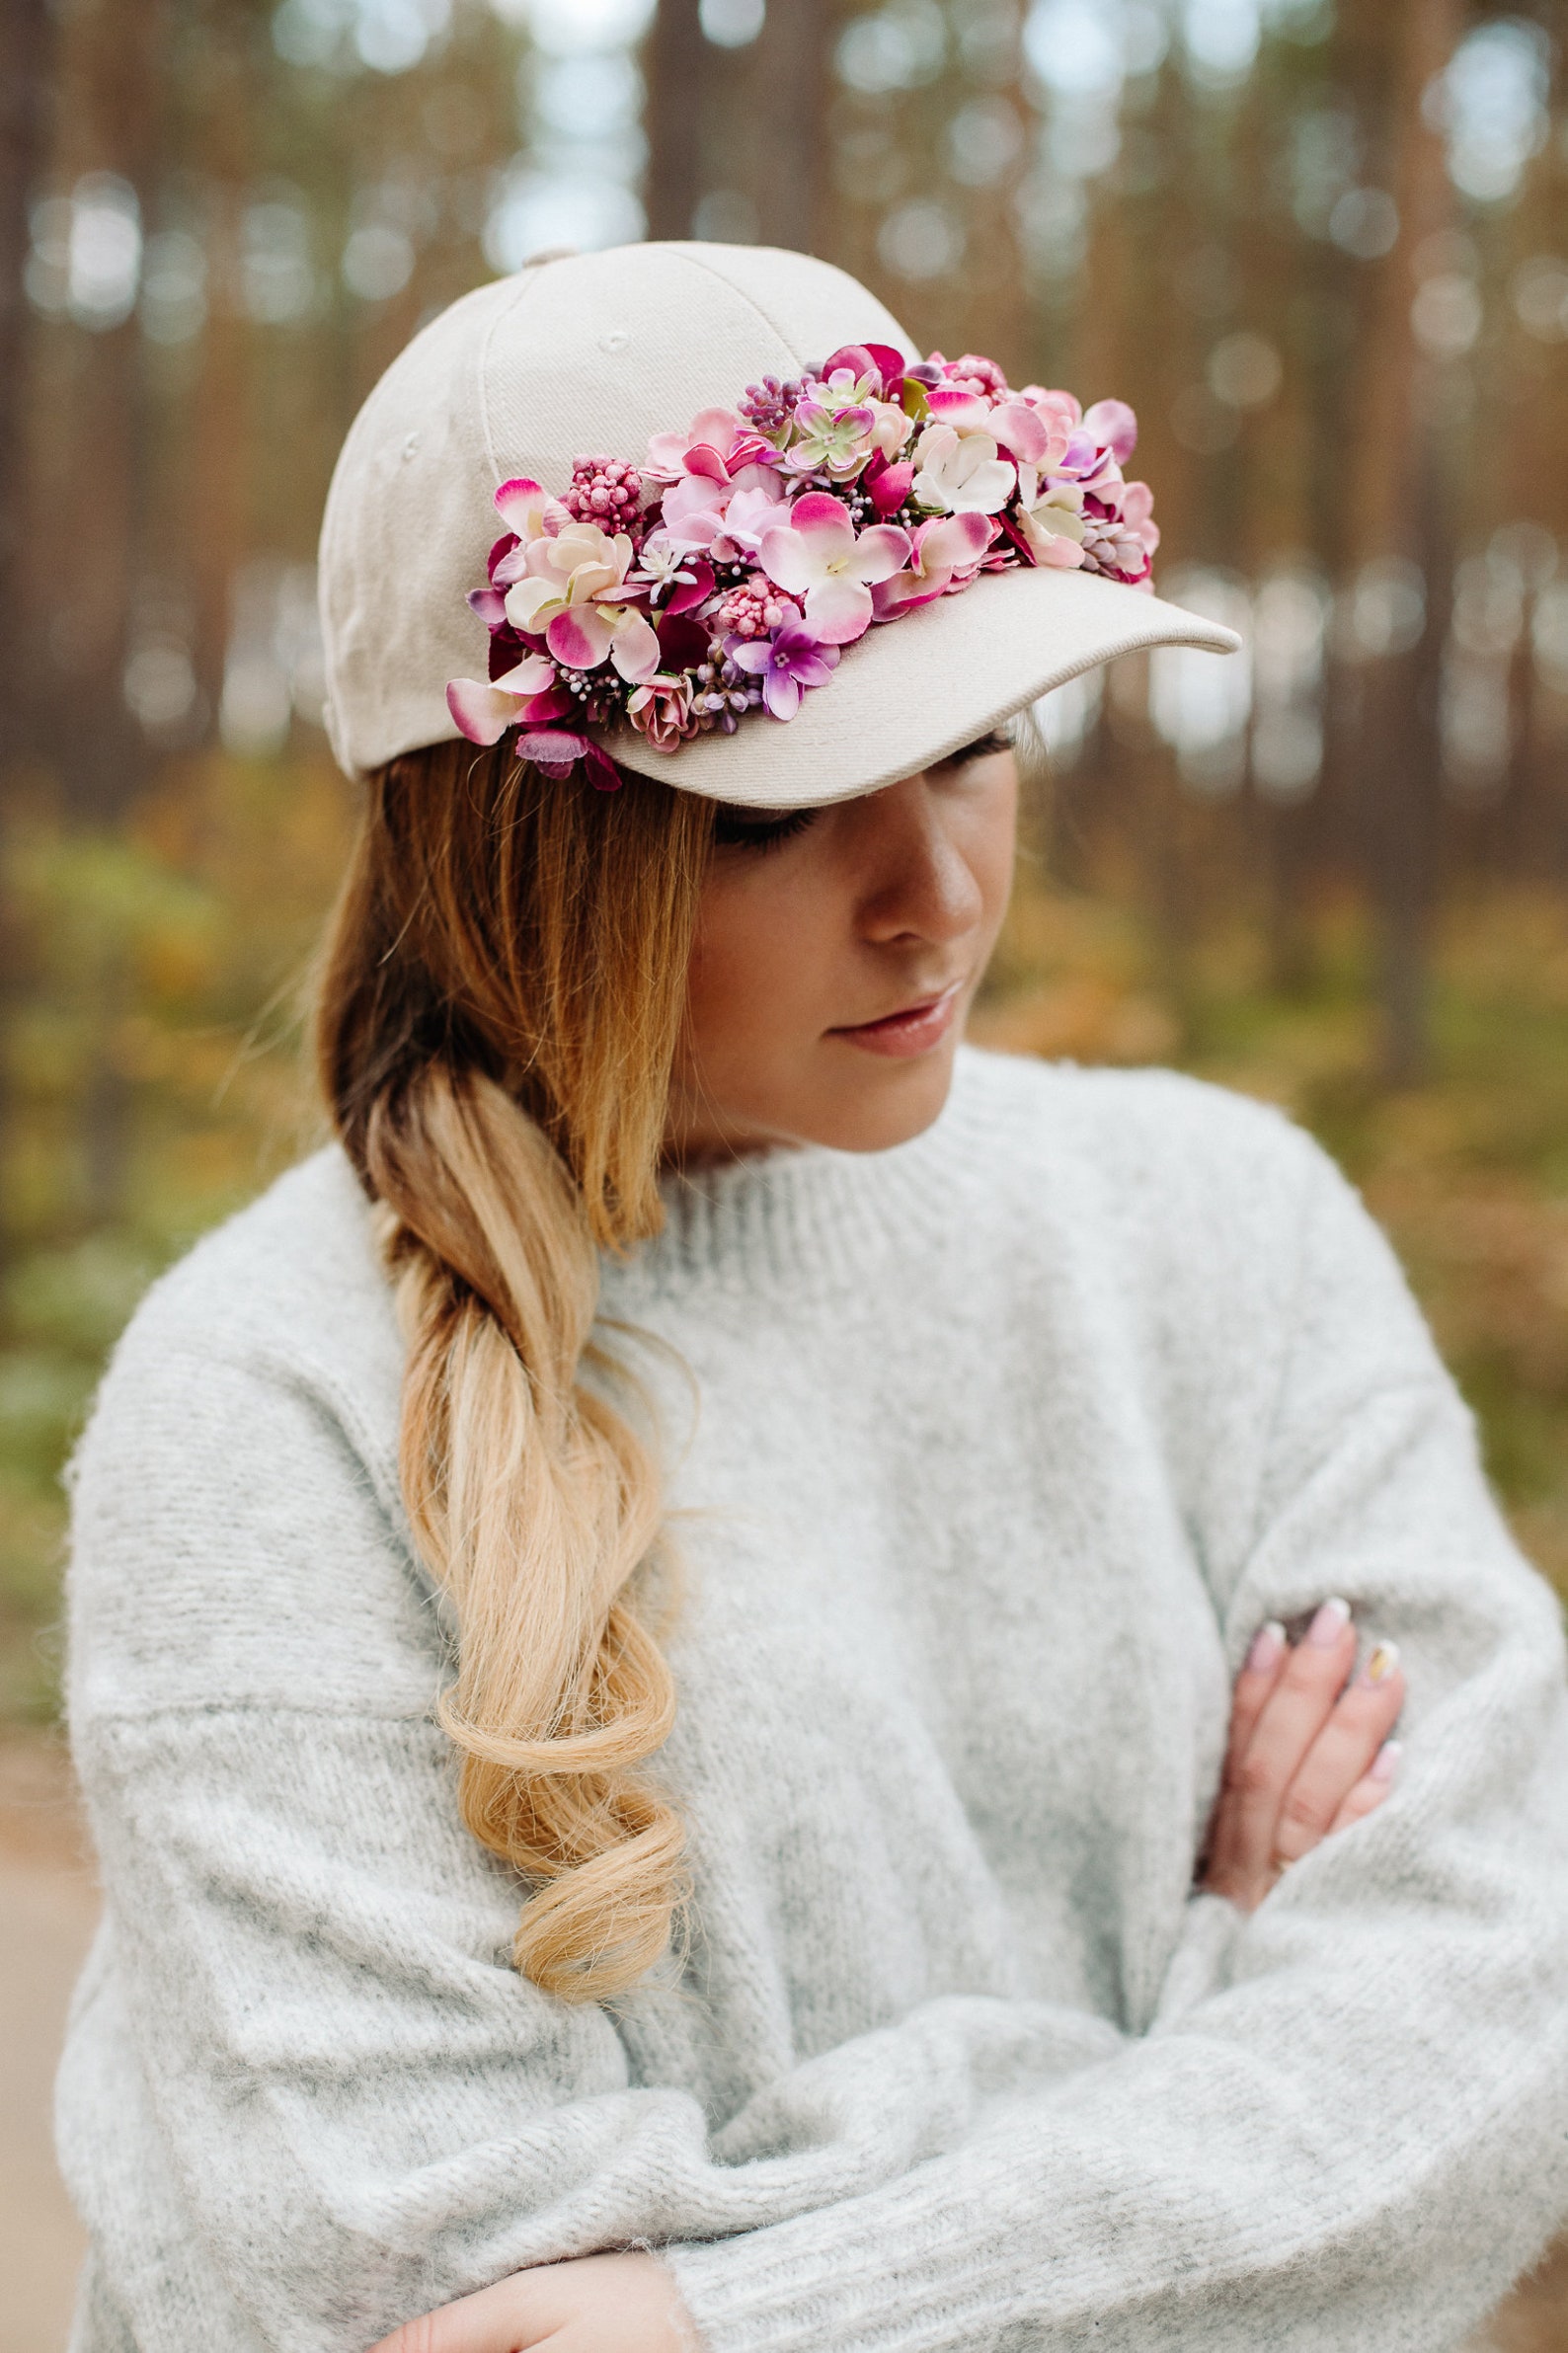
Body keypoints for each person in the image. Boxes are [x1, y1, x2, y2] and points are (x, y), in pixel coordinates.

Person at [57, 244, 1568, 2353]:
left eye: (974, 744)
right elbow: (414, 2293)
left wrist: (743, 2300)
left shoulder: (1228, 1231)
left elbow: (1509, 2007)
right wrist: (1213, 2011)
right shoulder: (267, 1403)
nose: (933, 893)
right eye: (780, 809)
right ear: (513, 846)